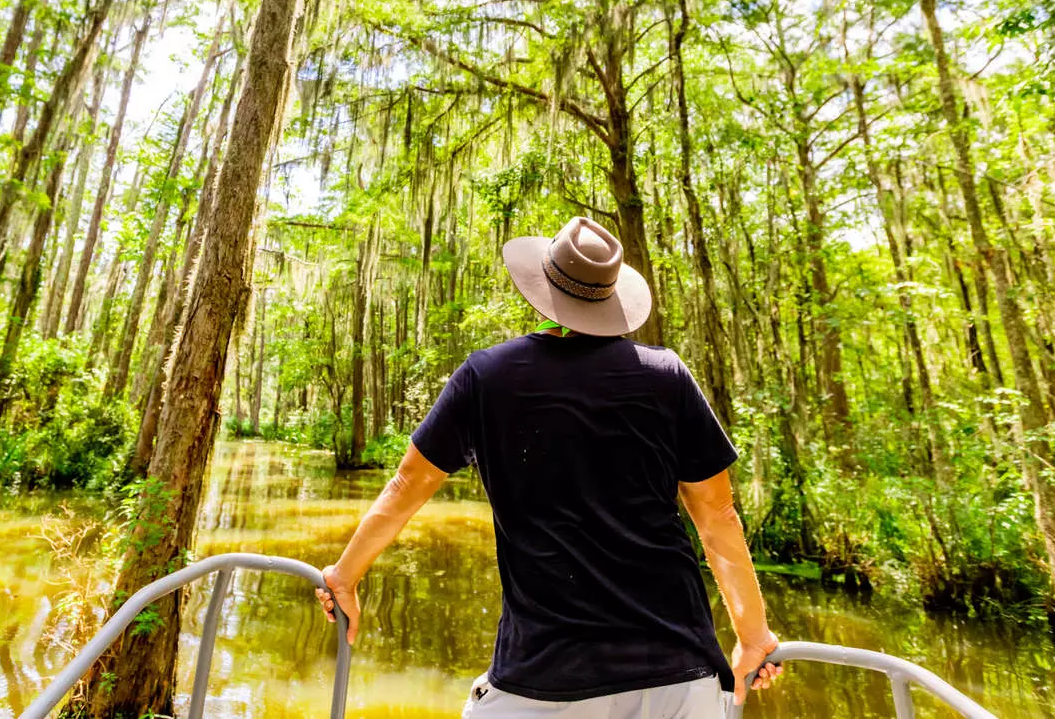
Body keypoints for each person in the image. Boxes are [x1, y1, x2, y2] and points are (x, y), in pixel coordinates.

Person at [315, 215, 782, 718]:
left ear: (541, 287)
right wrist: (753, 634)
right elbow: (717, 515)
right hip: (675, 674)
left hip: (541, 680)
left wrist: (345, 575)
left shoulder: (486, 377)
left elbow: (409, 482)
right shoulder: (665, 375)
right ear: (610, 298)